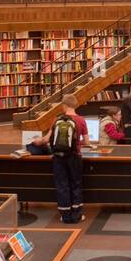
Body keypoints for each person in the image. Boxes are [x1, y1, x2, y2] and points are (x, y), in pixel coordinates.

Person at [32, 95, 88, 223]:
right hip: (74, 157)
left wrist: (36, 142)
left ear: (64, 106)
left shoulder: (57, 119)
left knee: (62, 185)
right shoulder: (81, 120)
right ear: (75, 105)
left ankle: (65, 215)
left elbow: (46, 140)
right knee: (76, 184)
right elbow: (86, 141)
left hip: (58, 158)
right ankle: (77, 215)